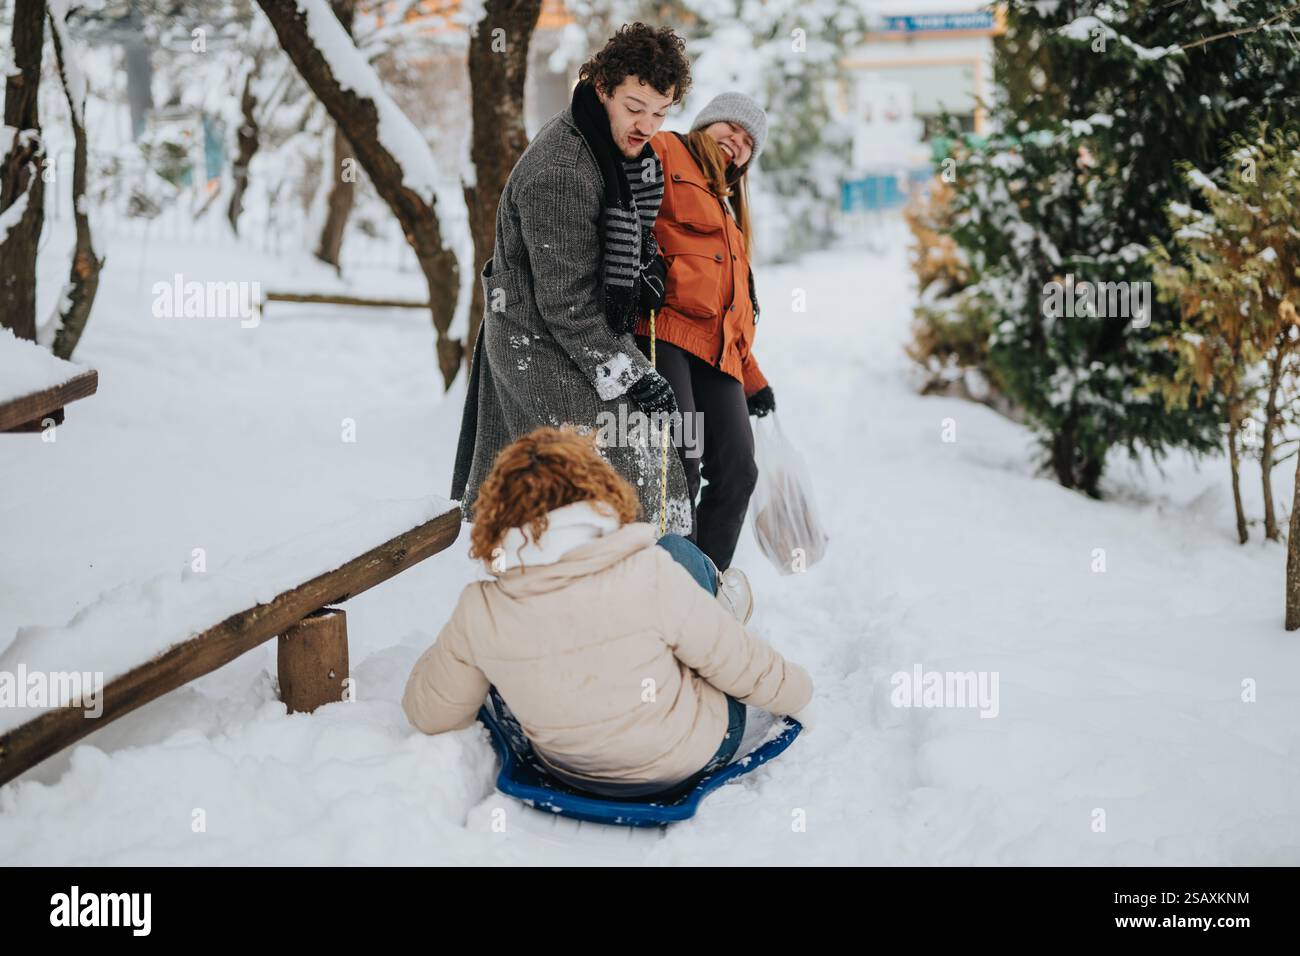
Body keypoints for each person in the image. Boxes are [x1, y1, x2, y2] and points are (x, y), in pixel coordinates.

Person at [405, 426, 813, 799]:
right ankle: (717, 608)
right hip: (681, 756)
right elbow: (746, 667)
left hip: (568, 767)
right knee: (677, 554)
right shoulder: (648, 573)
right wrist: (802, 692)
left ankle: (691, 629)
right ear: (598, 491)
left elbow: (430, 712)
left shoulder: (482, 607)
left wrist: (466, 647)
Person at [451, 23, 694, 537]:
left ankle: (653, 588)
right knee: (605, 483)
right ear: (602, 87)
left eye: (660, 112)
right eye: (635, 107)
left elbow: (609, 247)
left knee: (632, 465)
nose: (647, 125)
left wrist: (643, 267)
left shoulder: (612, 151)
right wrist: (634, 375)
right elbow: (569, 306)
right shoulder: (561, 170)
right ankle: (618, 594)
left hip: (567, 339)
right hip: (538, 346)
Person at [632, 93, 776, 587]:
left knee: (739, 471)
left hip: (719, 357)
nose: (736, 144)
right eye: (730, 130)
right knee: (681, 461)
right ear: (705, 125)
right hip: (666, 329)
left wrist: (754, 381)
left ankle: (702, 587)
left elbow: (731, 314)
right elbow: (623, 205)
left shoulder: (731, 217)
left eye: (746, 144)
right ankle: (662, 587)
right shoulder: (666, 150)